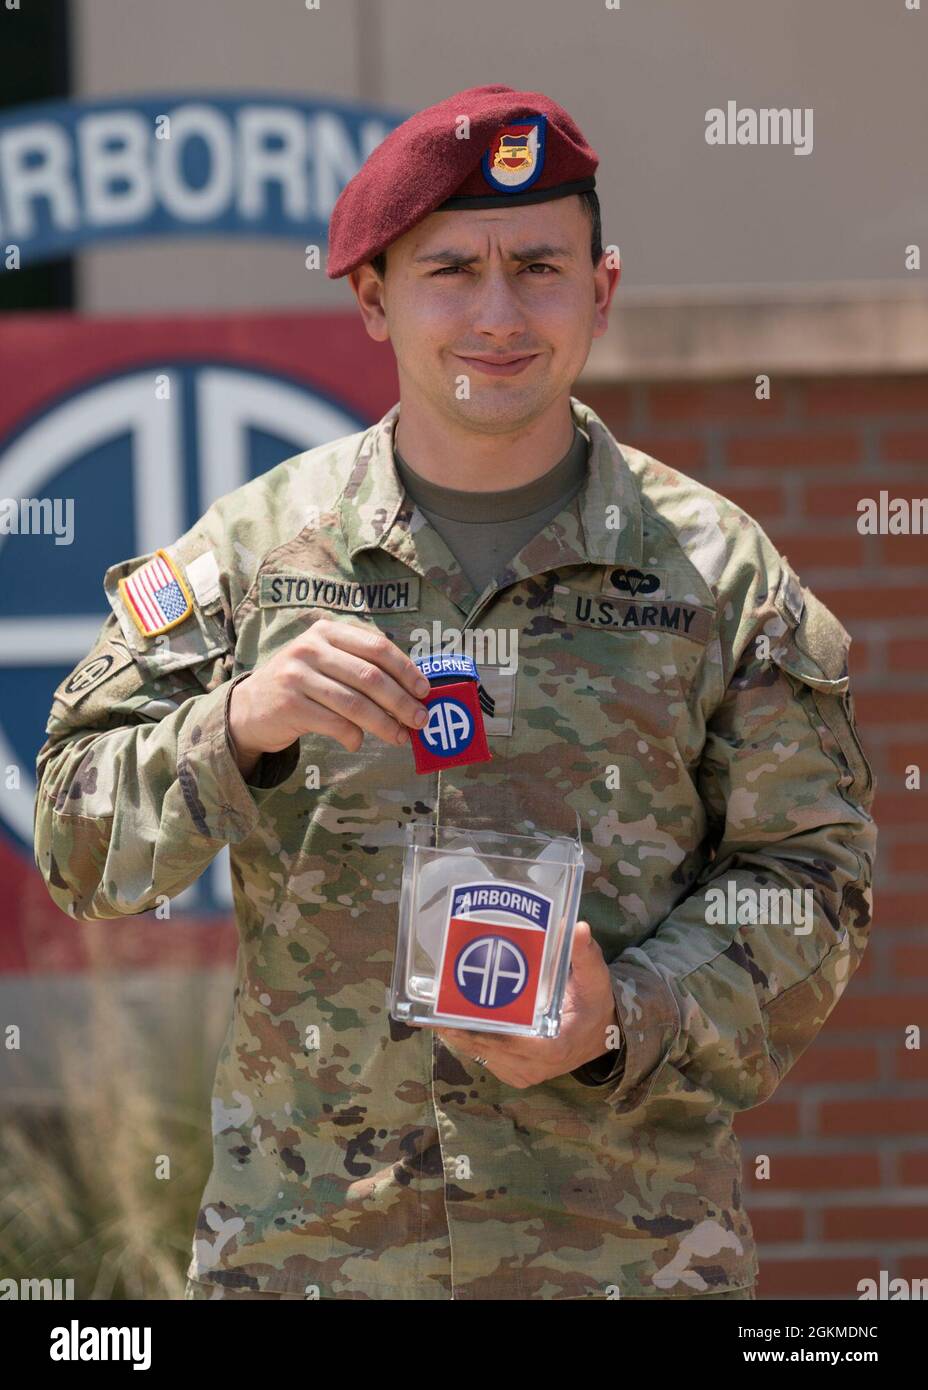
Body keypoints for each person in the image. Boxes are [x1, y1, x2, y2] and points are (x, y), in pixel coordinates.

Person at [33, 85, 876, 1302]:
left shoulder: (720, 575)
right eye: (449, 270)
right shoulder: (256, 555)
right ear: (374, 300)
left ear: (602, 290)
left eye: (539, 266)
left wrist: (619, 1019)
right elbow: (72, 839)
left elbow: (815, 883)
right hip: (309, 1259)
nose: (497, 313)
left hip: (622, 1261)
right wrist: (239, 724)